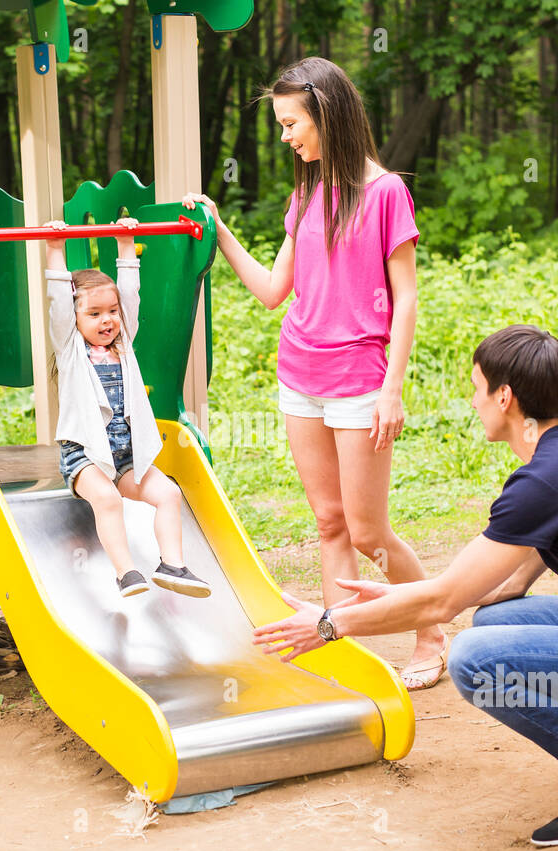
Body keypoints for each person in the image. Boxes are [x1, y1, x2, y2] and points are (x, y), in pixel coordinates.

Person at [250, 325, 558, 847]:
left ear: (504, 397)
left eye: (476, 387)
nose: (473, 400)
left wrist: (331, 624)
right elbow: (491, 586)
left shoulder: (545, 482)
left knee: (474, 660)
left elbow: (444, 601)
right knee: (494, 623)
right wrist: (405, 596)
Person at [181, 56, 448, 690]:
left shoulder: (385, 193)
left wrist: (392, 389)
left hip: (361, 380)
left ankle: (431, 628)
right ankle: (338, 645)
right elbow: (276, 291)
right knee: (329, 523)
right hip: (299, 374)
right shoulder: (304, 194)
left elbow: (405, 297)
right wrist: (218, 230)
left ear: (326, 115)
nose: (286, 137)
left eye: (292, 122)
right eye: (280, 124)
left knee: (368, 529)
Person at [44, 218, 211, 599]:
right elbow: (58, 303)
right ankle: (125, 573)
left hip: (125, 456)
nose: (107, 320)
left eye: (112, 311)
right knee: (107, 499)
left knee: (168, 494)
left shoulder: (124, 345)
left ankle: (172, 564)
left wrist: (126, 243)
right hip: (84, 455)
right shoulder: (71, 351)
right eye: (94, 314)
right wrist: (55, 249)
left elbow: (130, 294)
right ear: (76, 319)